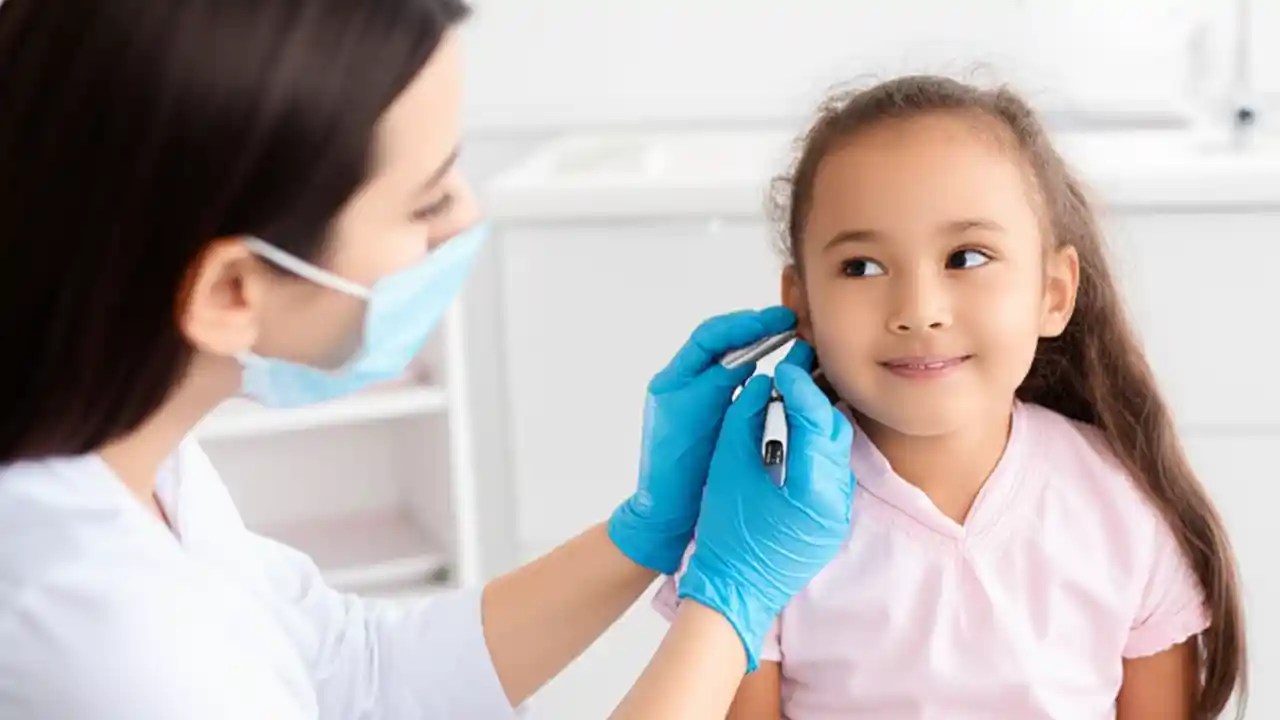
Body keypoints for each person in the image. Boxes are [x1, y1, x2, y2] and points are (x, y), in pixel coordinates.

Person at [0, 1, 856, 718]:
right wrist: (727, 604)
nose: (463, 220)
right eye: (427, 199)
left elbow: (355, 674)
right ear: (230, 291)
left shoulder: (131, 454)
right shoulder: (103, 649)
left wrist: (647, 531)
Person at [654, 75, 1248, 718]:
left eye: (966, 258)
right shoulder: (760, 526)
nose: (918, 310)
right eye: (862, 267)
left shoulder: (1122, 507)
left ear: (1053, 292)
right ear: (802, 304)